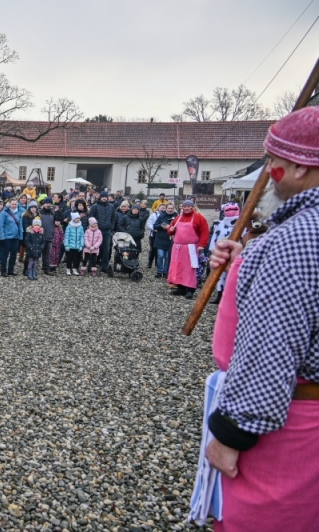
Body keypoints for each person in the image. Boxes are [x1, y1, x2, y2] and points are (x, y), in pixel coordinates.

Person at [203, 107, 319, 532]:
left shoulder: (294, 240)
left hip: (296, 425)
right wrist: (247, 262)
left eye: (275, 163)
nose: (269, 172)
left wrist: (233, 434)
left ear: (302, 169)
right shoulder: (286, 238)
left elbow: (272, 350)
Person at [166, 200, 209, 298]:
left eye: (188, 206)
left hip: (191, 247)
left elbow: (204, 232)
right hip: (177, 247)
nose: (186, 208)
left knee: (190, 269)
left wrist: (202, 244)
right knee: (178, 267)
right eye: (184, 206)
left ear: (192, 207)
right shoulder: (178, 218)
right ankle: (180, 288)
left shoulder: (199, 218)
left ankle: (190, 289)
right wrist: (170, 230)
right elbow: (170, 231)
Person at [208, 203, 240, 304]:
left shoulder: (242, 224)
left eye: (234, 209)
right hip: (221, 253)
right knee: (220, 274)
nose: (231, 210)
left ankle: (231, 297)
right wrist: (212, 251)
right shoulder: (220, 224)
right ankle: (219, 295)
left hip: (237, 253)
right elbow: (215, 237)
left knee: (234, 275)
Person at [89, 191, 117, 275]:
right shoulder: (95, 206)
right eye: (103, 197)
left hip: (107, 231)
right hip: (96, 231)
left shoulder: (111, 207)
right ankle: (91, 264)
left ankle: (104, 265)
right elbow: (91, 217)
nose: (104, 198)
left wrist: (112, 227)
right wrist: (93, 227)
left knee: (106, 249)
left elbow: (114, 217)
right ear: (100, 197)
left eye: (105, 197)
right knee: (94, 248)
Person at [0, 198, 22, 277]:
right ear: (9, 204)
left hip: (16, 237)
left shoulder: (18, 213)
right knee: (5, 254)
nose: (14, 206)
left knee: (14, 255)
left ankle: (11, 270)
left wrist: (20, 235)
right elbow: (1, 225)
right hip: (7, 237)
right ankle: (3, 270)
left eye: (15, 204)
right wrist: (2, 236)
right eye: (12, 204)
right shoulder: (4, 213)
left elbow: (20, 225)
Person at [152, 203, 177, 278]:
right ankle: (159, 271)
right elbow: (155, 226)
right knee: (160, 256)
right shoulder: (161, 216)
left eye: (171, 208)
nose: (170, 210)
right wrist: (162, 225)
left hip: (170, 240)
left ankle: (166, 272)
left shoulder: (176, 217)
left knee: (167, 257)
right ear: (166, 209)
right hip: (161, 239)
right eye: (169, 208)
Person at [146, 203, 165, 269]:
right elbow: (148, 224)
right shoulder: (153, 215)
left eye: (164, 208)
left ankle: (157, 263)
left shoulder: (165, 215)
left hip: (162, 235)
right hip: (153, 234)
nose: (162, 209)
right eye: (161, 208)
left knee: (159, 249)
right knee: (153, 249)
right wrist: (154, 229)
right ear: (158, 208)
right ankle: (150, 262)